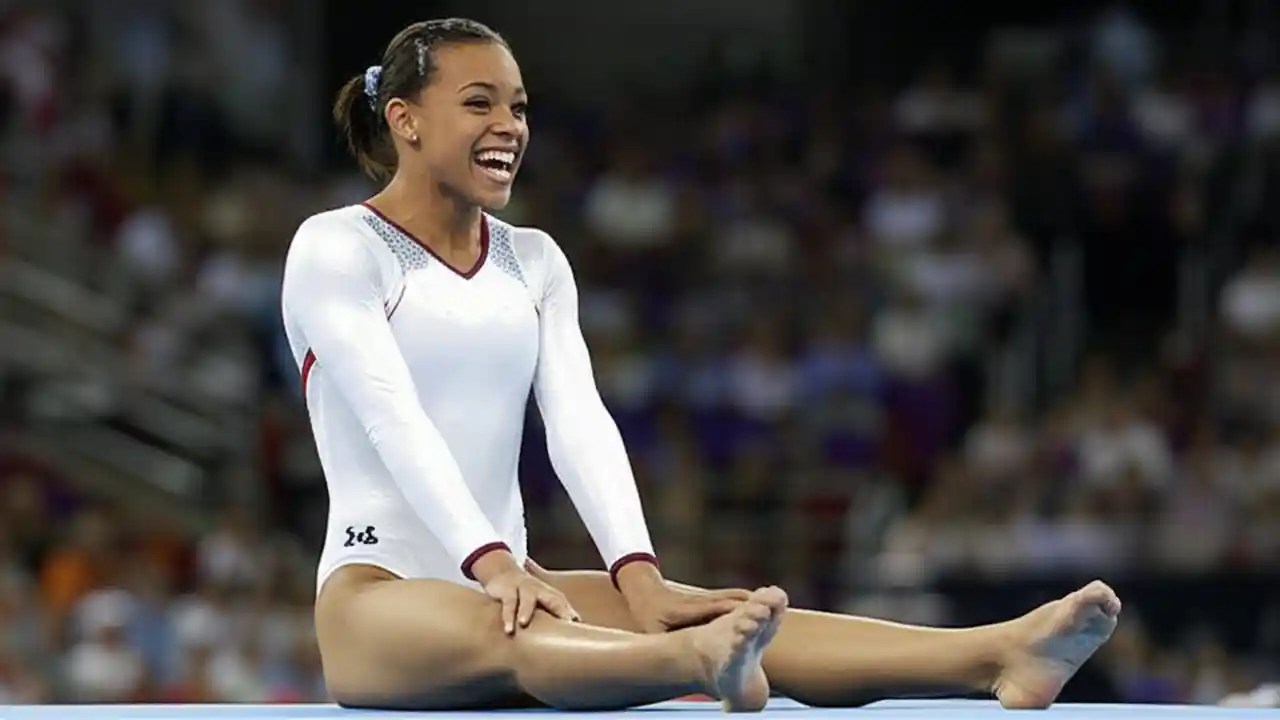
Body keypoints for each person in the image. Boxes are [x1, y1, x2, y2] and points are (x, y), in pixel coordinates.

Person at [281, 17, 1122, 713]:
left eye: (520, 107)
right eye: (478, 103)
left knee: (712, 606)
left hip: (506, 581)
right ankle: (690, 666)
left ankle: (1000, 654)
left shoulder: (531, 260)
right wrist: (494, 562)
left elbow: (580, 423)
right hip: (377, 595)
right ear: (405, 119)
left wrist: (639, 577)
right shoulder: (337, 248)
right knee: (523, 636)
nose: (509, 126)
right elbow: (394, 416)